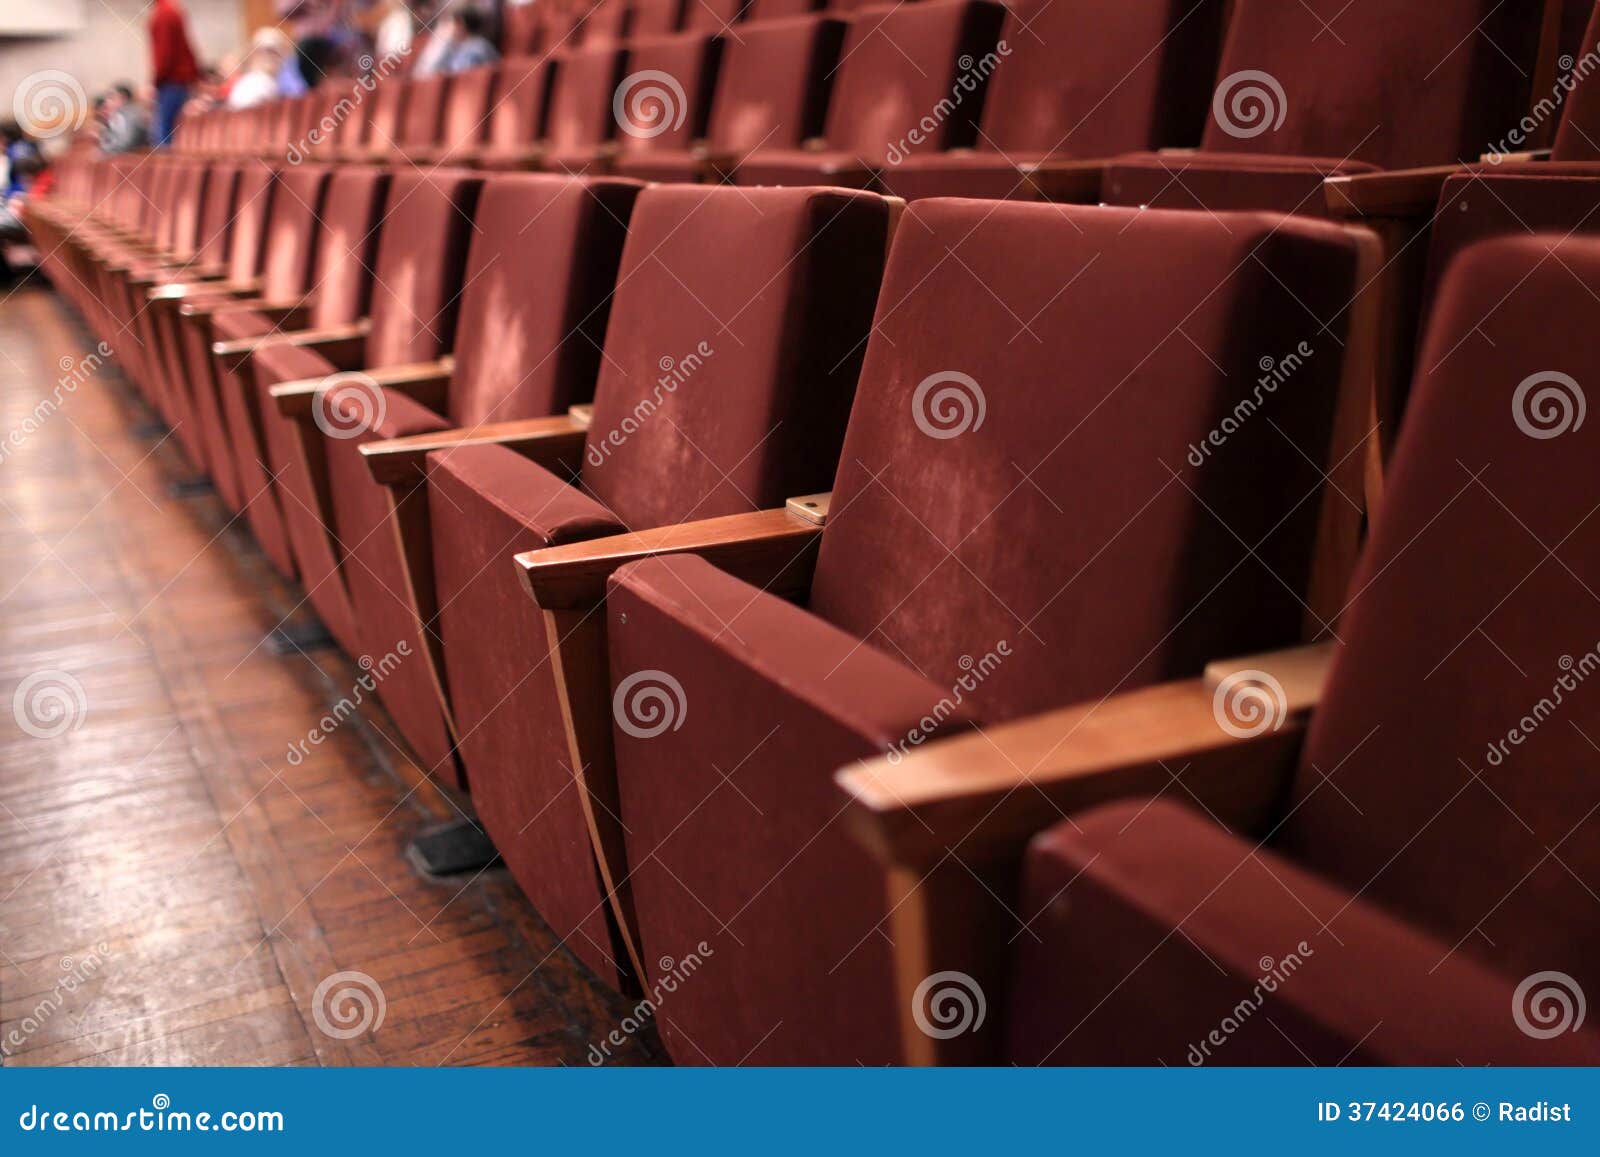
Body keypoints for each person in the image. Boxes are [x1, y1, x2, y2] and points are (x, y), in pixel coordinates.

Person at [148, 0, 201, 146]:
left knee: (163, 135)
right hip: (178, 81)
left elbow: (164, 54)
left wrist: (156, 81)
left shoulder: (163, 14)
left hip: (171, 82)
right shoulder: (173, 10)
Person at [442, 7, 500, 73]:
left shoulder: (480, 47)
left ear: (461, 25)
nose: (449, 28)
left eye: (452, 24)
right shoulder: (454, 47)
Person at [98, 84, 151, 154]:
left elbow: (127, 144)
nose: (107, 102)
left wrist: (104, 149)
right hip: (123, 157)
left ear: (123, 98)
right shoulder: (115, 117)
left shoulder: (133, 114)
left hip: (135, 158)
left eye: (111, 97)